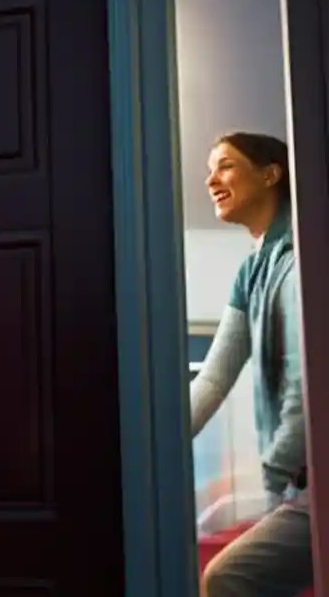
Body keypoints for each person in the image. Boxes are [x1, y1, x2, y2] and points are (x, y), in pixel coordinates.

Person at [190, 132, 309, 597]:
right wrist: (154, 445)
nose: (211, 180)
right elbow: (215, 375)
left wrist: (279, 465)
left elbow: (306, 374)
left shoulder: (302, 251)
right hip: (295, 485)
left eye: (225, 166)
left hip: (306, 478)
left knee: (227, 578)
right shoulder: (250, 270)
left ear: (270, 174)